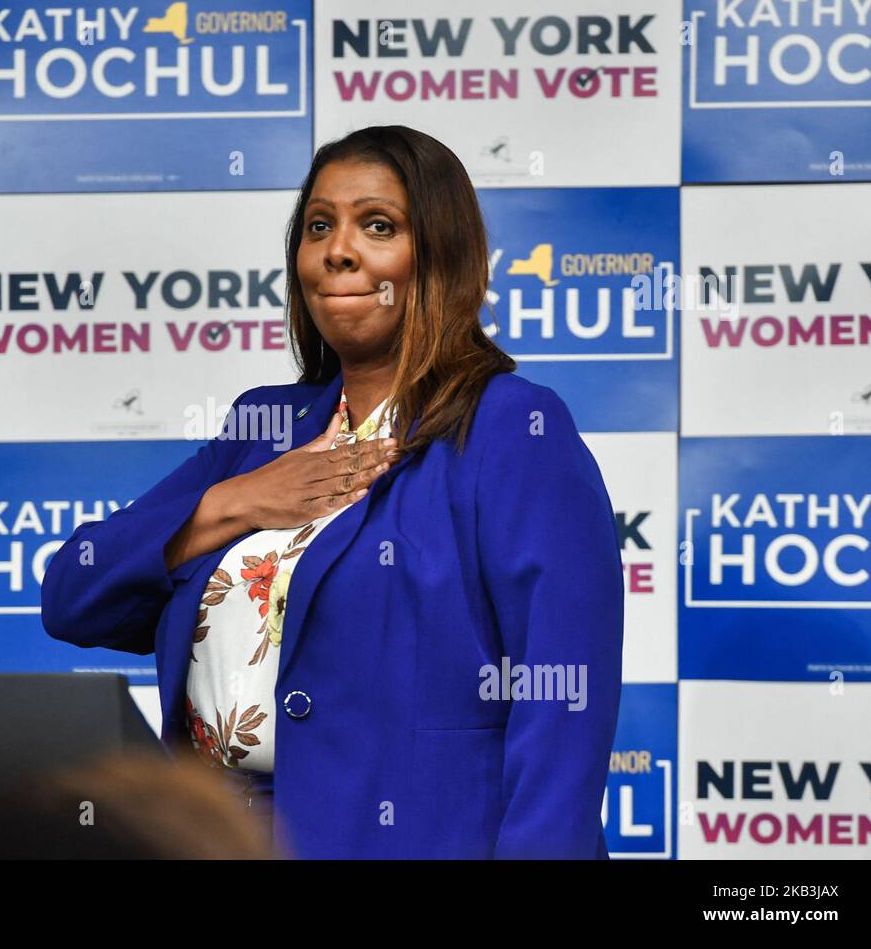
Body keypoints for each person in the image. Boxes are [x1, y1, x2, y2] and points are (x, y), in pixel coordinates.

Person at [41, 124, 624, 859]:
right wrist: (238, 500)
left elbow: (561, 698)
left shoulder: (511, 428)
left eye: (377, 226)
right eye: (319, 226)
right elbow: (73, 596)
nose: (338, 250)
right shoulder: (265, 428)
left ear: (440, 255)